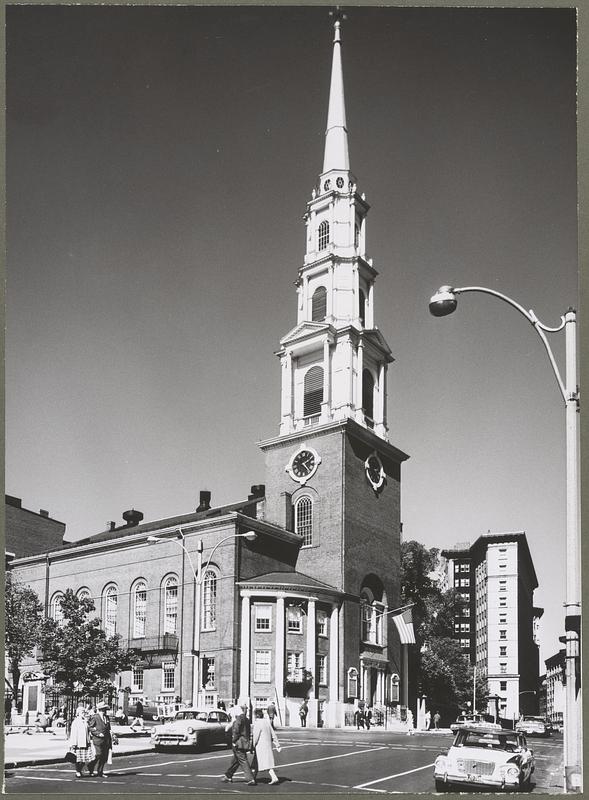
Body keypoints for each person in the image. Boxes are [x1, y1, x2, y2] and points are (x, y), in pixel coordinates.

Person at [221, 703, 256, 785]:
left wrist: (233, 741)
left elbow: (236, 731)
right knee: (236, 760)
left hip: (238, 743)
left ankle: (250, 779)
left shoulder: (239, 719)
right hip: (244, 742)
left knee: (243, 760)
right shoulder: (246, 719)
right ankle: (228, 775)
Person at [251, 708, 281, 784]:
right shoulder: (266, 722)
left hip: (260, 747)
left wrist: (252, 746)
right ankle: (252, 778)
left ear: (256, 715)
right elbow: (273, 734)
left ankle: (252, 778)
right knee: (259, 763)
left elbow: (255, 737)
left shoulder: (257, 723)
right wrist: (277, 744)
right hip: (267, 745)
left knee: (264, 763)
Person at [68, 705, 95, 778]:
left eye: (84, 712)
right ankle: (78, 771)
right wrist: (73, 744)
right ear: (78, 713)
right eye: (82, 712)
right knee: (78, 759)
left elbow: (88, 731)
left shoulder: (85, 721)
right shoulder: (76, 722)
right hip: (79, 743)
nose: (83, 713)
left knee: (85, 758)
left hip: (86, 742)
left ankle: (80, 770)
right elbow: (73, 734)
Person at [88, 701, 112, 777]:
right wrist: (98, 733)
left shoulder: (107, 717)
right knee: (98, 754)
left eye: (105, 709)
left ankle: (100, 771)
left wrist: (113, 736)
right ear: (100, 709)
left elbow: (109, 728)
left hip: (106, 739)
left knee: (104, 756)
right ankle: (91, 765)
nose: (105, 711)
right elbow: (91, 727)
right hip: (98, 739)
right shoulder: (95, 717)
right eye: (104, 709)